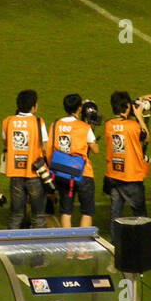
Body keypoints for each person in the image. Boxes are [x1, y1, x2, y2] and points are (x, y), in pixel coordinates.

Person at [103, 91, 150, 239]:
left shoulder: (108, 125)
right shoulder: (133, 126)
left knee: (115, 216)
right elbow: (146, 137)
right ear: (127, 107)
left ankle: (115, 246)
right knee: (141, 216)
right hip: (131, 176)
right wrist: (139, 116)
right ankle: (142, 245)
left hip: (114, 176)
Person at [1, 90, 49, 229]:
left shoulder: (7, 121)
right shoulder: (39, 122)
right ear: (34, 106)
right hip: (34, 174)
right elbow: (45, 147)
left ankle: (12, 241)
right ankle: (38, 243)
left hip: (15, 173)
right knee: (38, 216)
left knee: (16, 215)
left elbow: (6, 142)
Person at [52, 94, 99, 230]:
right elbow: (95, 150)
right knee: (87, 212)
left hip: (62, 172)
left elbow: (49, 149)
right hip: (83, 173)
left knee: (66, 212)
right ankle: (83, 243)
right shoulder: (84, 127)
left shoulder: (56, 125)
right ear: (79, 109)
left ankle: (67, 242)